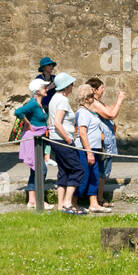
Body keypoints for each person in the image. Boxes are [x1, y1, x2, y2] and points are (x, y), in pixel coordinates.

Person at [47, 72, 86, 215]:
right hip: (62, 140)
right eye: (71, 84)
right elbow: (57, 123)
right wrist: (69, 140)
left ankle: (60, 206)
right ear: (66, 86)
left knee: (64, 171)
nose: (73, 86)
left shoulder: (54, 99)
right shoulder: (62, 100)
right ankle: (68, 202)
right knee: (77, 169)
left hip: (56, 140)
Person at [87, 77, 126, 207]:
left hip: (107, 140)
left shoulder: (99, 102)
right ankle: (99, 198)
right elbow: (111, 115)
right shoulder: (93, 103)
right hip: (102, 141)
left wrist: (116, 101)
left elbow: (109, 110)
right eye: (102, 88)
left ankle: (99, 197)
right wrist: (120, 101)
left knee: (104, 170)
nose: (104, 90)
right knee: (102, 171)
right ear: (94, 90)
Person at [74, 86, 112, 214]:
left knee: (94, 176)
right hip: (85, 150)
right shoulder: (82, 112)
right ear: (85, 98)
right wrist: (89, 152)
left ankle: (93, 203)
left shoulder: (89, 111)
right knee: (83, 177)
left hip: (95, 149)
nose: (93, 98)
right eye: (90, 96)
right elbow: (83, 133)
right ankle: (74, 203)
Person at [14, 77, 51, 209]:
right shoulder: (33, 103)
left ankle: (32, 200)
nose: (46, 89)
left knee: (35, 170)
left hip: (39, 140)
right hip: (32, 139)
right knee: (42, 169)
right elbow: (18, 112)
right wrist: (28, 124)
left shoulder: (39, 103)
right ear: (37, 91)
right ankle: (39, 201)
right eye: (43, 87)